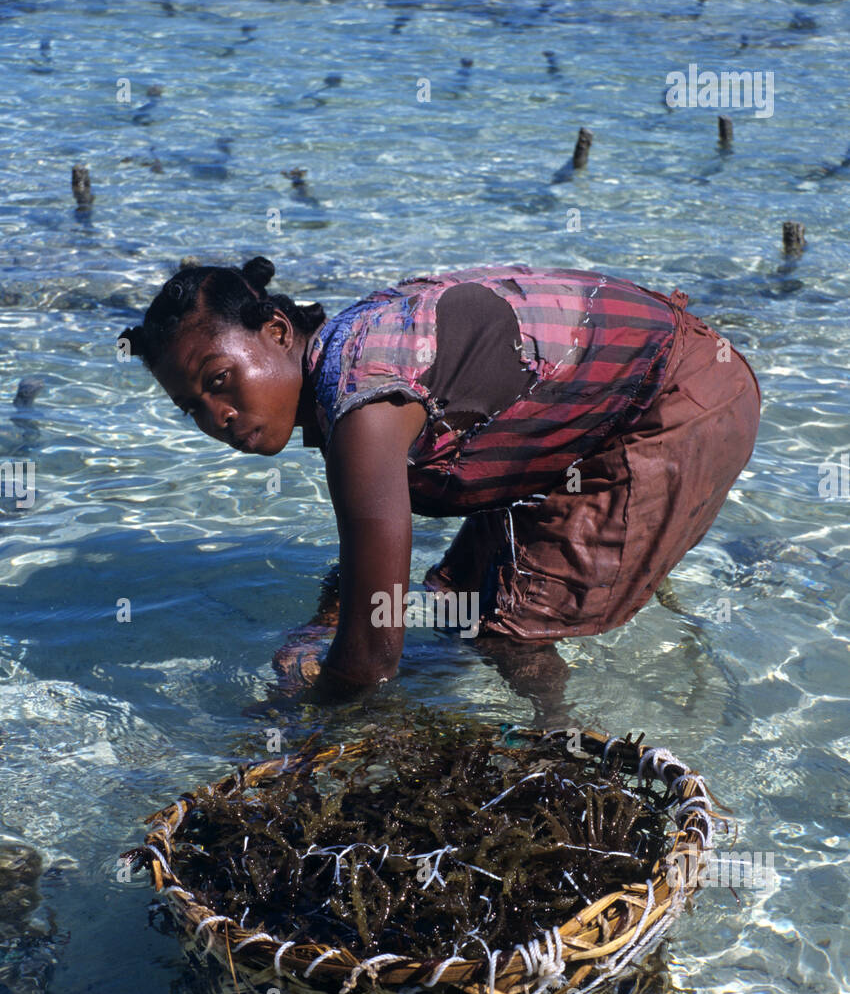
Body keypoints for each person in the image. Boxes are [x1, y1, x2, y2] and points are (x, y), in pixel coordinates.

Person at [119, 255, 761, 699]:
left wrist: (302, 721)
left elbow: (375, 654)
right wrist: (326, 621)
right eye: (192, 407)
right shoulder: (340, 367)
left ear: (278, 331)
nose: (218, 416)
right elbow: (368, 562)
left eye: (220, 381)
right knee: (458, 599)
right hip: (608, 400)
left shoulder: (360, 396)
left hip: (672, 405)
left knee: (511, 634)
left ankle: (560, 744)